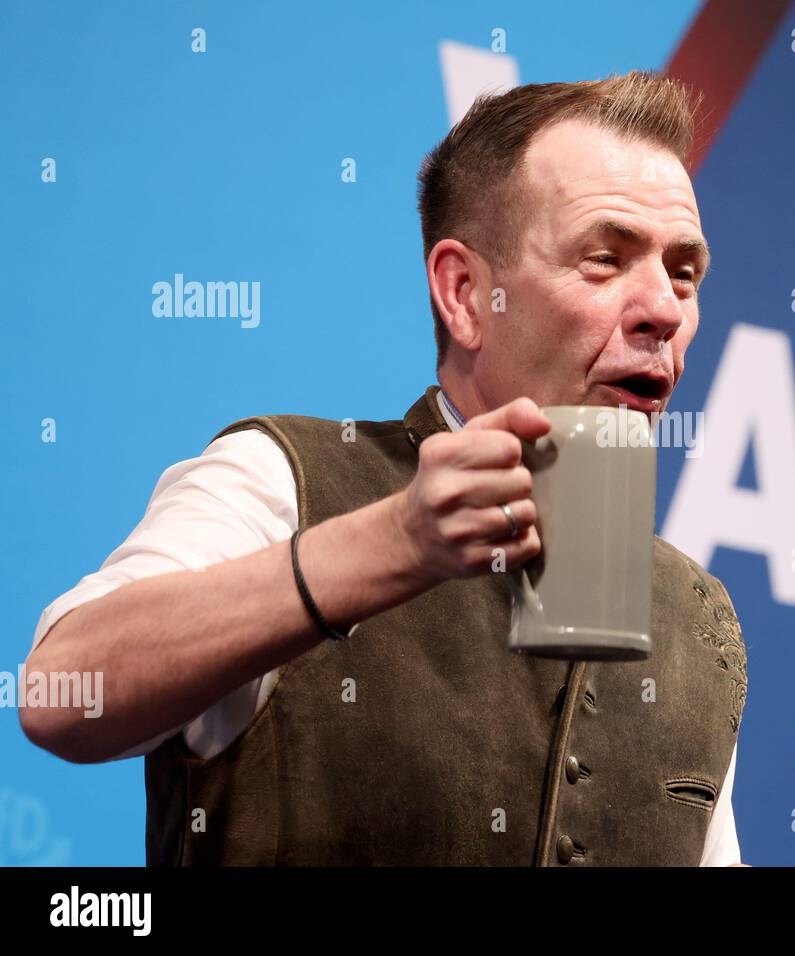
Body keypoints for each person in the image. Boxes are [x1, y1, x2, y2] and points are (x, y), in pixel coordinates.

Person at [21, 70, 747, 867]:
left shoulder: (697, 625)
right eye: (606, 259)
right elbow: (59, 695)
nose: (666, 311)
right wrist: (396, 542)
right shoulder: (283, 479)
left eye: (684, 273)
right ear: (466, 294)